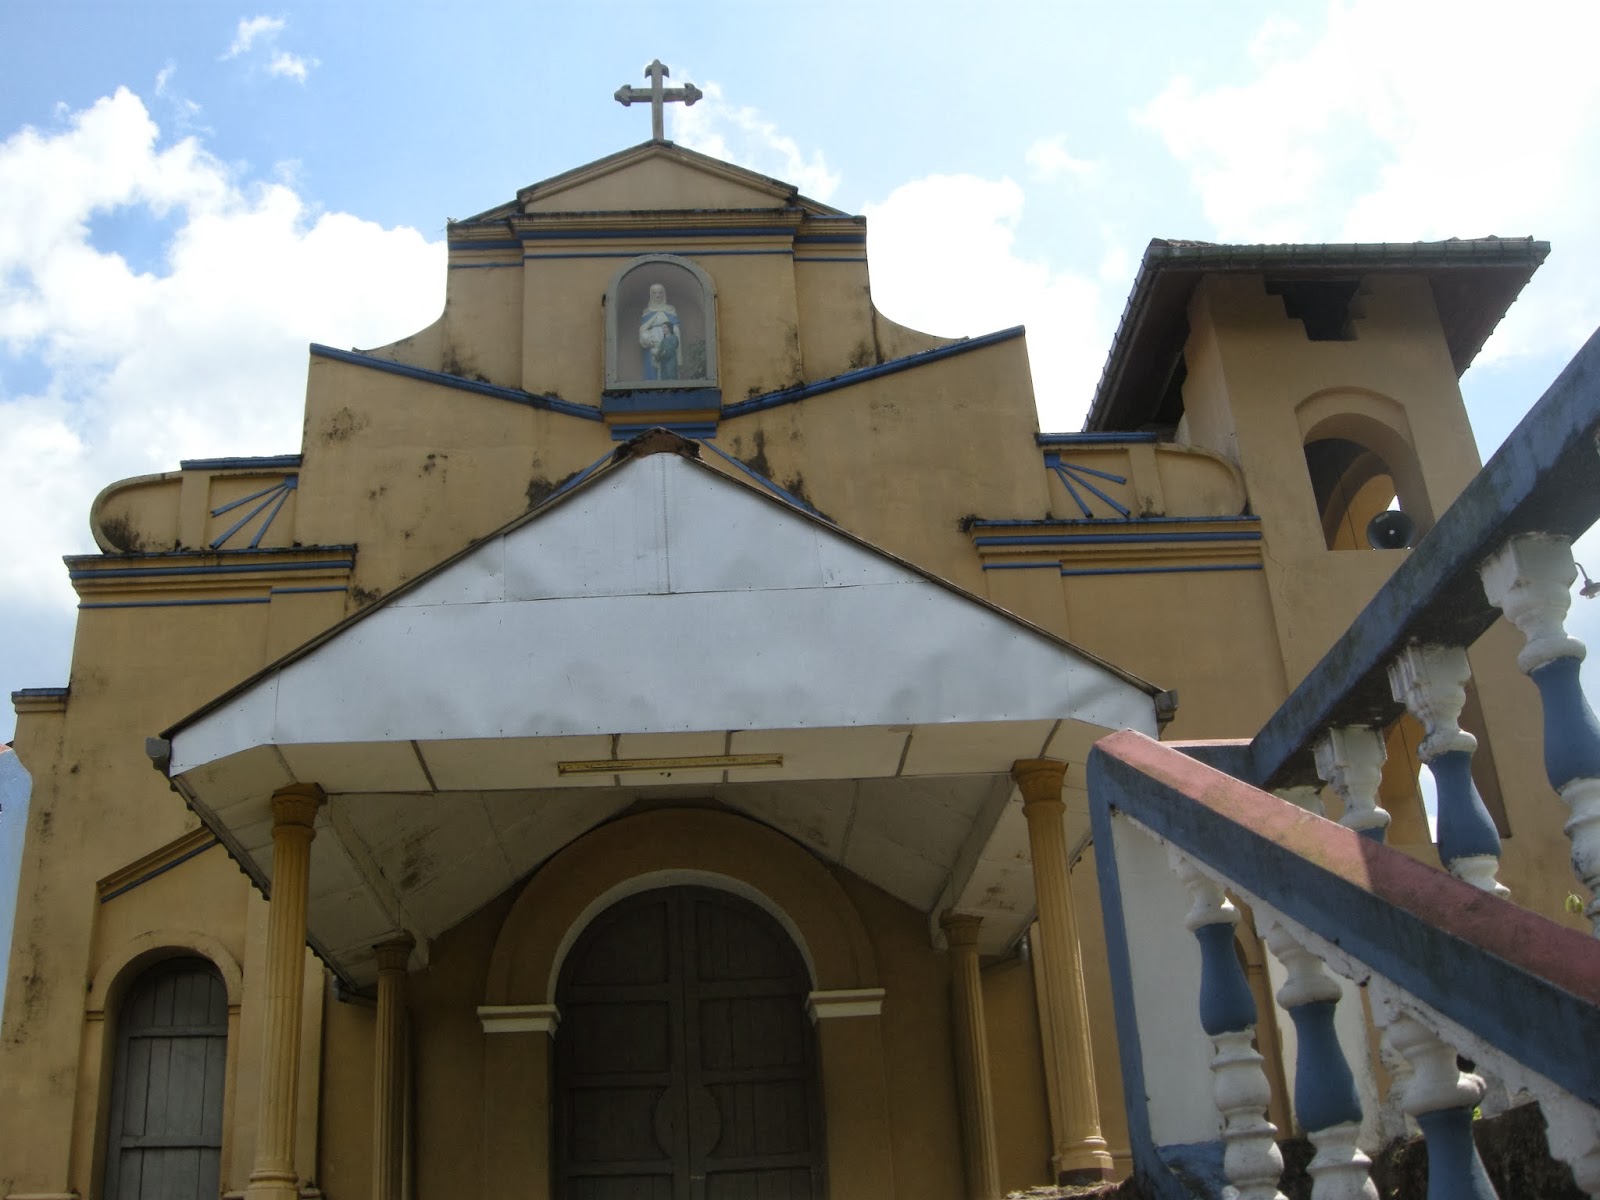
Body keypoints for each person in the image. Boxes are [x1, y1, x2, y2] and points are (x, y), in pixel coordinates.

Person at [638, 282, 681, 380]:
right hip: (652, 342)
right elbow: (643, 329)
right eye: (654, 293)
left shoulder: (670, 309)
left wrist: (670, 334)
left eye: (660, 292)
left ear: (664, 294)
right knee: (652, 367)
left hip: (668, 340)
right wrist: (648, 338)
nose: (657, 295)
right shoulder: (647, 311)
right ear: (651, 295)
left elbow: (676, 326)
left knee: (668, 366)